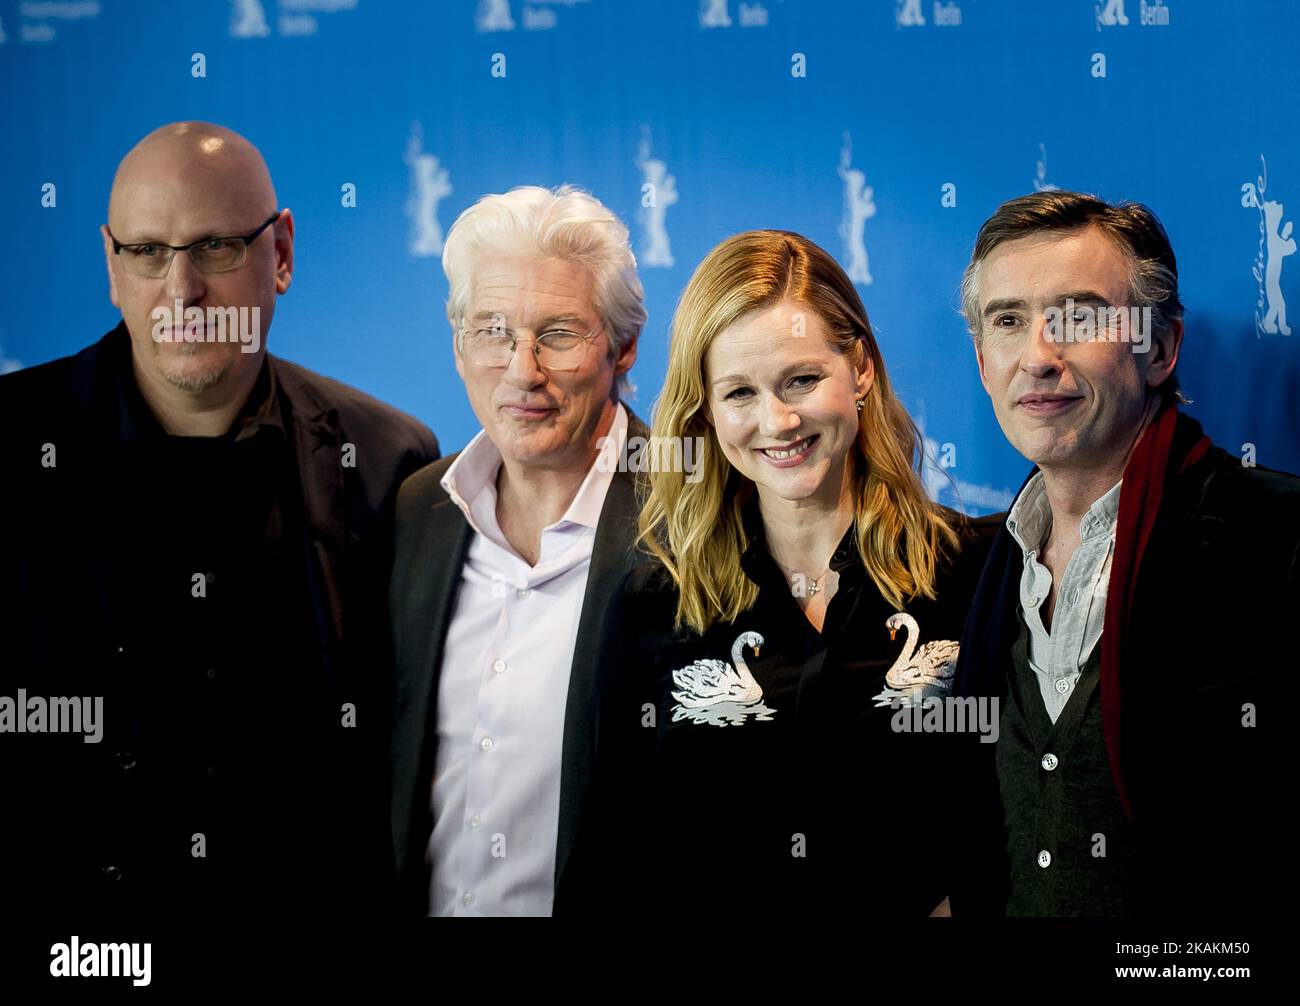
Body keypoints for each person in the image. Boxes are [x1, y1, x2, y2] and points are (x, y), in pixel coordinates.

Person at [0, 121, 439, 915]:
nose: (182, 291)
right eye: (147, 252)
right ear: (111, 263)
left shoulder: (390, 463)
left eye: (215, 248)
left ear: (282, 255)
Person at [578, 229, 999, 917]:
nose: (778, 421)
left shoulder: (974, 572)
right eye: (739, 393)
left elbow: (1021, 821)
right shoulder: (654, 600)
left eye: (802, 379)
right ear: (706, 412)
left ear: (859, 368)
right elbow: (611, 853)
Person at [948, 190, 1297, 917]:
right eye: (1008, 321)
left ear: (1160, 348)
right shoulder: (980, 564)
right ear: (983, 362)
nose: (1038, 357)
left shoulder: (1275, 539)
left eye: (1077, 317)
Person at [389, 185, 649, 916]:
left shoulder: (696, 519)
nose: (521, 369)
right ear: (458, 342)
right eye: (493, 330)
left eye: (558, 333)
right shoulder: (417, 511)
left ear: (623, 345)